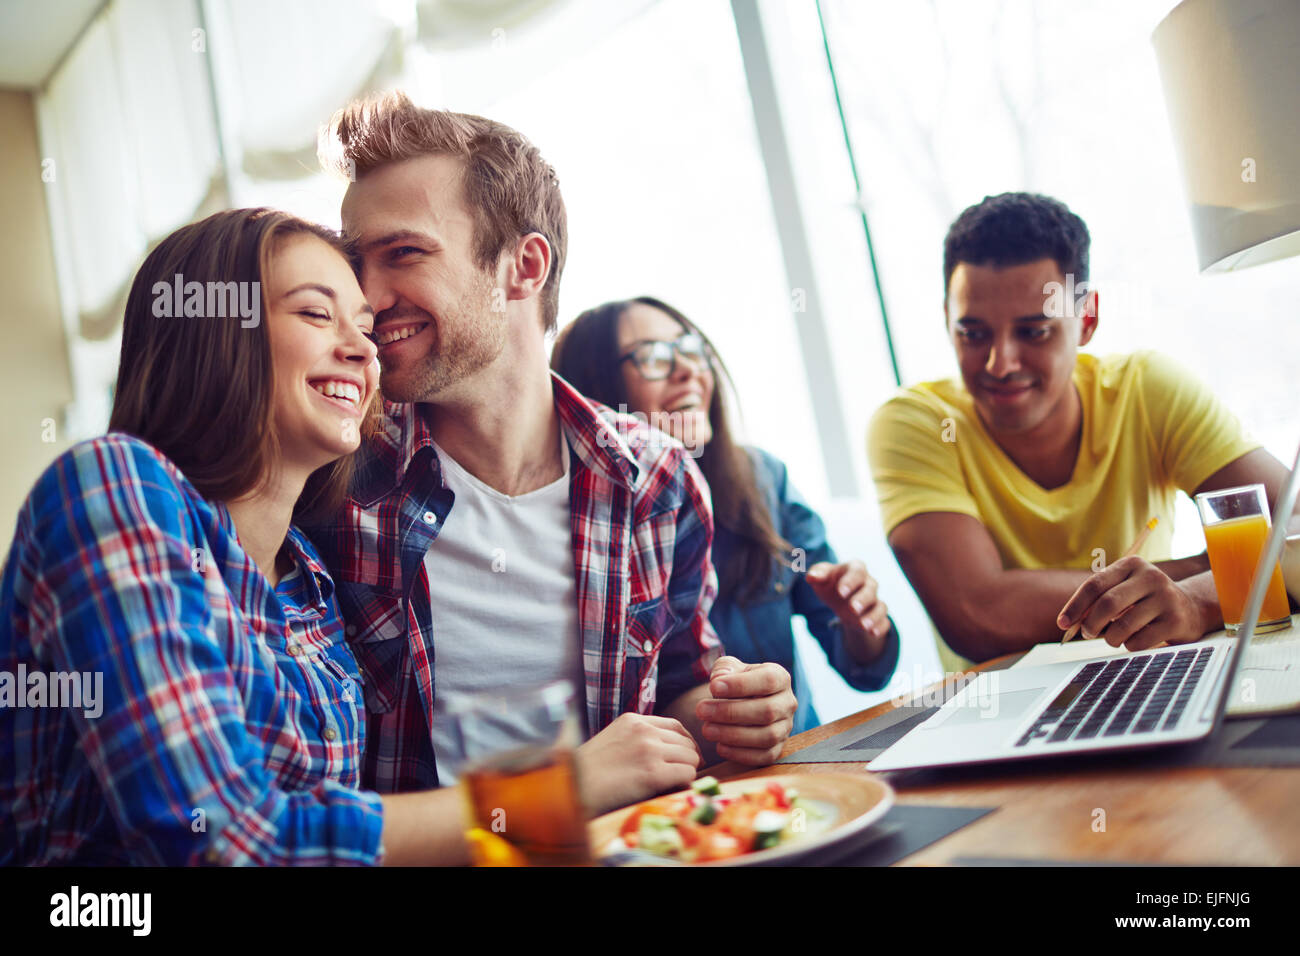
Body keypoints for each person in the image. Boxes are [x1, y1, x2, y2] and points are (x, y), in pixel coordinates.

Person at [303, 92, 796, 814]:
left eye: (403, 253)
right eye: (356, 262)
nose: (367, 299)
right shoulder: (331, 484)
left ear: (523, 267)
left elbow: (682, 684)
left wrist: (733, 713)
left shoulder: (659, 481)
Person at [0, 208, 471, 865]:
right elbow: (225, 840)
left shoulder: (308, 574)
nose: (365, 349)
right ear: (213, 332)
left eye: (364, 328)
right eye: (314, 314)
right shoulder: (111, 484)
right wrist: (545, 798)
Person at [867, 192, 1298, 670]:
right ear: (946, 319)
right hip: (997, 711)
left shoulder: (1147, 389)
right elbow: (978, 616)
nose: (1000, 363)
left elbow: (1295, 529)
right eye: (973, 334)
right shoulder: (913, 424)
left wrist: (1198, 599)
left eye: (1034, 332)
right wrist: (1213, 569)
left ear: (1086, 318)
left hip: (1148, 671)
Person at [551, 296, 900, 733]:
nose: (688, 370)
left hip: (797, 765)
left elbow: (865, 670)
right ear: (597, 390)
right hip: (679, 788)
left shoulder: (764, 479)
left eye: (691, 349)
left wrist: (861, 622)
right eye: (653, 358)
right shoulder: (582, 532)